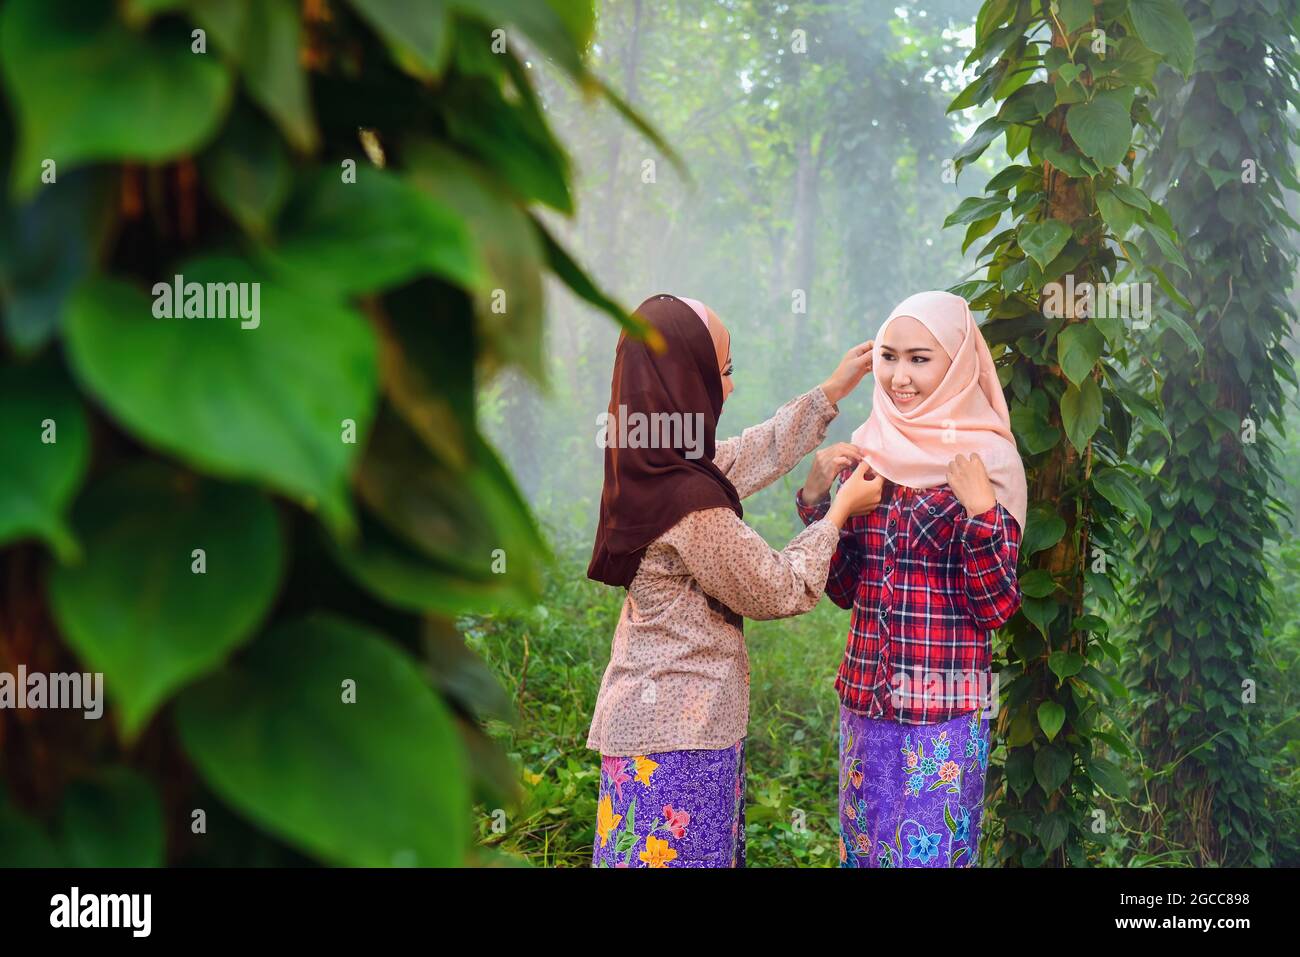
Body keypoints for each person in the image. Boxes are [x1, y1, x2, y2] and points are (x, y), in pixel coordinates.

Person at [586, 292, 881, 868]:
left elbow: (747, 453)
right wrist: (838, 513)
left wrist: (830, 394)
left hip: (647, 722)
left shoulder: (648, 459)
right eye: (723, 370)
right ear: (684, 377)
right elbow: (779, 587)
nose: (730, 386)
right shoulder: (689, 505)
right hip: (679, 736)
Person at [795, 290, 1026, 868]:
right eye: (889, 357)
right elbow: (845, 590)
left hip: (944, 714)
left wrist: (982, 517)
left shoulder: (987, 462)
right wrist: (820, 501)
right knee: (866, 855)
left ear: (958, 364)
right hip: (866, 705)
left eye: (920, 359)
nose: (900, 376)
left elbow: (995, 607)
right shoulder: (870, 452)